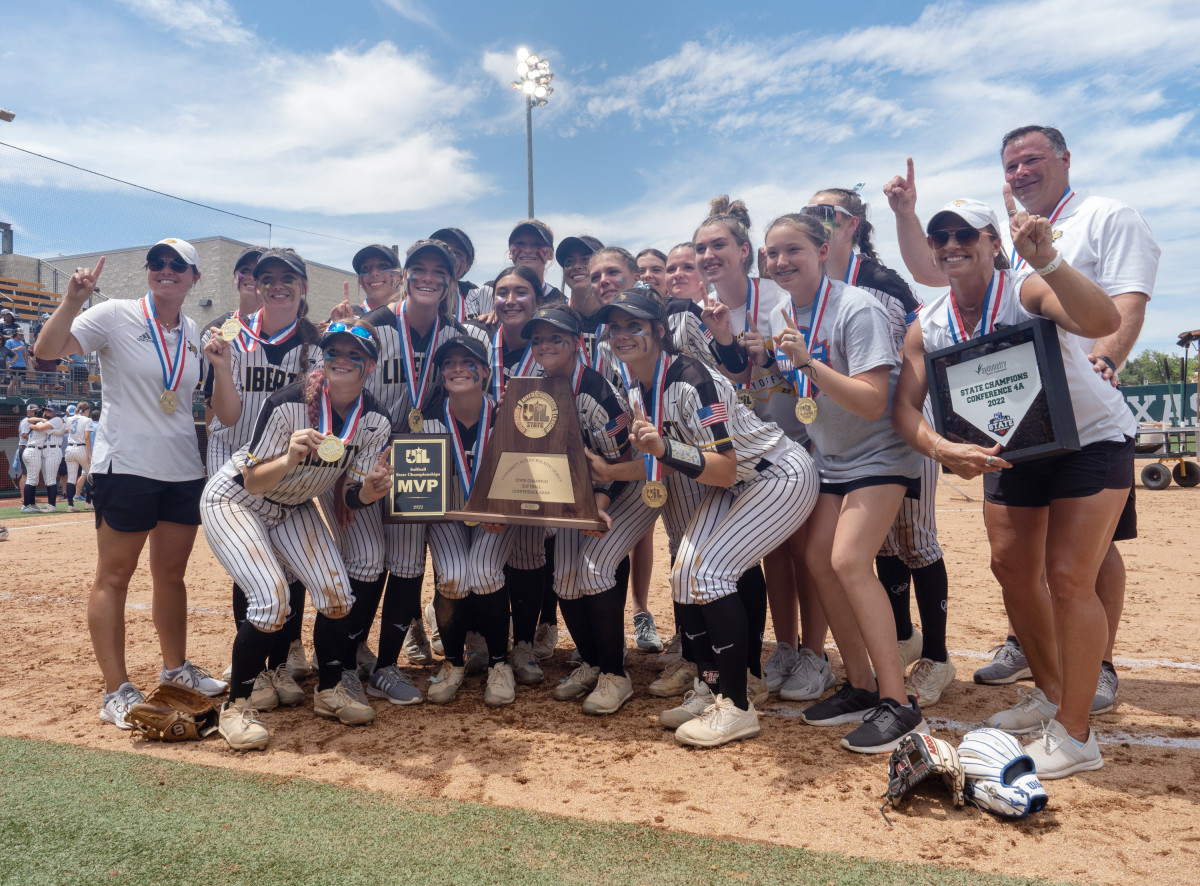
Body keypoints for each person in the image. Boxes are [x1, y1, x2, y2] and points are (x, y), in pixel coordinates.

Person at [887, 133, 1160, 712]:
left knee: (1067, 576)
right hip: (1015, 448)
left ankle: (1075, 722)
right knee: (1012, 569)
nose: (951, 244)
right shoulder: (928, 321)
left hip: (1089, 436)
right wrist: (940, 448)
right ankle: (1051, 690)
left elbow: (1101, 316)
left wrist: (1050, 261)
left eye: (966, 233)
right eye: (941, 236)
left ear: (994, 243)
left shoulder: (1025, 285)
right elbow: (903, 410)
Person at [596, 288, 819, 747]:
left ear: (659, 331)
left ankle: (737, 706)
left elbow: (723, 466)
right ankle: (711, 687)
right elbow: (668, 457)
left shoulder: (692, 379)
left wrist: (662, 448)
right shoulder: (640, 385)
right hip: (737, 482)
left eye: (633, 325)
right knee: (685, 573)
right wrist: (614, 470)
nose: (622, 335)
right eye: (614, 327)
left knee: (712, 572)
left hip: (775, 474)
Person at [34, 238, 226, 730]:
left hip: (182, 467)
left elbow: (206, 404)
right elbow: (46, 350)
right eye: (158, 263)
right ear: (148, 271)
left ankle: (175, 670)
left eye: (178, 266)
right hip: (126, 467)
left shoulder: (193, 331)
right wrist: (74, 299)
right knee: (114, 577)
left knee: (171, 577)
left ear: (194, 279)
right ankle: (115, 690)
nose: (166, 270)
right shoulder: (115, 315)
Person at [765, 211, 926, 754]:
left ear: (822, 250)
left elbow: (871, 399)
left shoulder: (856, 306)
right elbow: (795, 393)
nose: (781, 262)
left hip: (881, 451)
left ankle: (899, 704)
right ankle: (858, 685)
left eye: (793, 251)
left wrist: (807, 363)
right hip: (832, 456)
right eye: (773, 254)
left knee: (849, 561)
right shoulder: (783, 311)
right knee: (817, 559)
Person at [203, 319, 394, 749]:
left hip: (293, 506)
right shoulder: (289, 402)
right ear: (321, 357)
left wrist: (368, 490)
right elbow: (252, 481)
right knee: (271, 602)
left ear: (370, 365)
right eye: (333, 352)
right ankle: (237, 706)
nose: (342, 360)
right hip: (237, 499)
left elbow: (349, 496)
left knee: (338, 596)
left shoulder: (375, 419)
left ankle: (329, 690)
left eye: (354, 354)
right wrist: (290, 457)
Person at [807, 187, 954, 708]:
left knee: (915, 539)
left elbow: (916, 351)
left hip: (901, 424)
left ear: (853, 224)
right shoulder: (813, 287)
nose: (818, 220)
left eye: (829, 213)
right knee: (880, 547)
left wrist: (920, 424)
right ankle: (898, 637)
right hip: (848, 435)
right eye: (810, 213)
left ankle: (936, 656)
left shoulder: (878, 283)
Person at [693, 196, 819, 702]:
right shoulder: (704, 310)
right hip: (754, 447)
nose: (708, 255)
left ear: (746, 251)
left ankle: (814, 652)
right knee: (774, 556)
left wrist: (769, 353)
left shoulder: (778, 298)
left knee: (809, 554)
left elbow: (805, 361)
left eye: (718, 244)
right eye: (701, 247)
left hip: (805, 438)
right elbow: (734, 379)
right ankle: (785, 646)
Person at [343, 240, 475, 699]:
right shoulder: (375, 325)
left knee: (404, 565)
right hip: (367, 454)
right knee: (363, 564)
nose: (427, 278)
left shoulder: (455, 333)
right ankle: (343, 659)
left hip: (422, 460)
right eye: (418, 269)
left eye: (438, 271)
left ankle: (384, 666)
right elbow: (343, 381)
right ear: (405, 276)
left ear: (450, 280)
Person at [204, 247, 324, 709]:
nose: (276, 285)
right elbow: (229, 415)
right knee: (250, 567)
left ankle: (277, 662)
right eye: (266, 277)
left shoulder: (315, 345)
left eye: (287, 277)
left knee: (290, 566)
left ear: (303, 287)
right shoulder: (232, 333)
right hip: (239, 465)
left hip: (290, 469)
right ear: (252, 283)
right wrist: (219, 366)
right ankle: (257, 671)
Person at [526, 303, 655, 714]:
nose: (545, 345)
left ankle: (616, 675)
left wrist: (599, 506)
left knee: (595, 567)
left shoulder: (596, 393)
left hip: (631, 487)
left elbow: (621, 466)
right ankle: (594, 663)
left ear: (577, 344)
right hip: (579, 490)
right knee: (564, 576)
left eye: (555, 337)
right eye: (538, 338)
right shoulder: (536, 387)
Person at [417, 335, 520, 706]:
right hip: (446, 513)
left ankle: (498, 663)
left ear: (485, 372)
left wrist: (504, 508)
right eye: (449, 362)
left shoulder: (509, 416)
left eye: (467, 361)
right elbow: (419, 487)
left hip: (497, 516)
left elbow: (529, 474)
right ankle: (454, 662)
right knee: (454, 577)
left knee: (483, 571)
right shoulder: (427, 421)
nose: (457, 368)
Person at [465, 220, 565, 318]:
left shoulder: (560, 300)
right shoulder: (488, 290)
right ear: (510, 252)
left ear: (551, 254)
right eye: (520, 243)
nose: (528, 250)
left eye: (537, 244)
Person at [431, 227, 480, 323]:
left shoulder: (478, 298)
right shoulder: (408, 295)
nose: (448, 257)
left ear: (468, 265)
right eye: (442, 250)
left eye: (456, 254)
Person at [21, 403, 64, 512]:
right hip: (35, 450)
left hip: (42, 450)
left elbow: (35, 425)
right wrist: (41, 421)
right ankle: (27, 505)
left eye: (48, 410)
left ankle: (36, 504)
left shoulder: (55, 420)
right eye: (45, 411)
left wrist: (35, 425)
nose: (46, 412)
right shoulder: (42, 422)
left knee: (37, 479)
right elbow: (30, 421)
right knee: (34, 479)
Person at [64, 402, 93, 511]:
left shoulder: (70, 419)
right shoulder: (87, 420)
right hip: (81, 448)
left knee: (71, 479)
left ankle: (70, 505)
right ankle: (88, 502)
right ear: (86, 410)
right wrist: (89, 453)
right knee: (91, 475)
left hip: (70, 448)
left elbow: (66, 430)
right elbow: (86, 437)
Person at [13, 402, 38, 508]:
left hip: (31, 448)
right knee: (25, 474)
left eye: (35, 410)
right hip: (25, 447)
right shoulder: (25, 421)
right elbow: (24, 435)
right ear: (28, 411)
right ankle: (23, 497)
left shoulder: (35, 421)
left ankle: (30, 497)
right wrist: (37, 439)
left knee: (31, 473)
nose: (34, 412)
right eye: (32, 410)